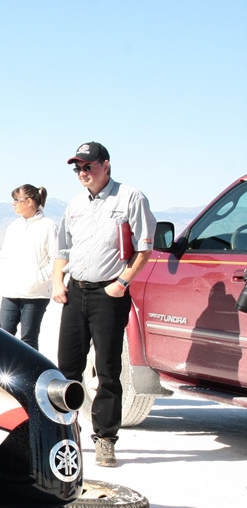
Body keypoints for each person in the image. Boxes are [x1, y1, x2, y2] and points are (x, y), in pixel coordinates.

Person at [52, 142, 156, 468]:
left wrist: (122, 282)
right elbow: (62, 249)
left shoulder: (130, 198)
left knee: (108, 370)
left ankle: (105, 439)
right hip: (75, 292)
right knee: (66, 369)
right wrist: (57, 282)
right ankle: (62, 434)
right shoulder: (74, 204)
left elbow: (144, 248)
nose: (82, 173)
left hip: (108, 295)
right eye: (78, 168)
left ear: (105, 165)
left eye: (88, 166)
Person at [0, 184, 56, 350]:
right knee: (2, 336)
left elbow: (55, 258)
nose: (13, 204)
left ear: (29, 201)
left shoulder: (48, 226)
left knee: (28, 341)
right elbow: (5, 256)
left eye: (17, 199)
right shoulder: (13, 227)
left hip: (35, 294)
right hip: (10, 291)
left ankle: (29, 368)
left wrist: (38, 279)